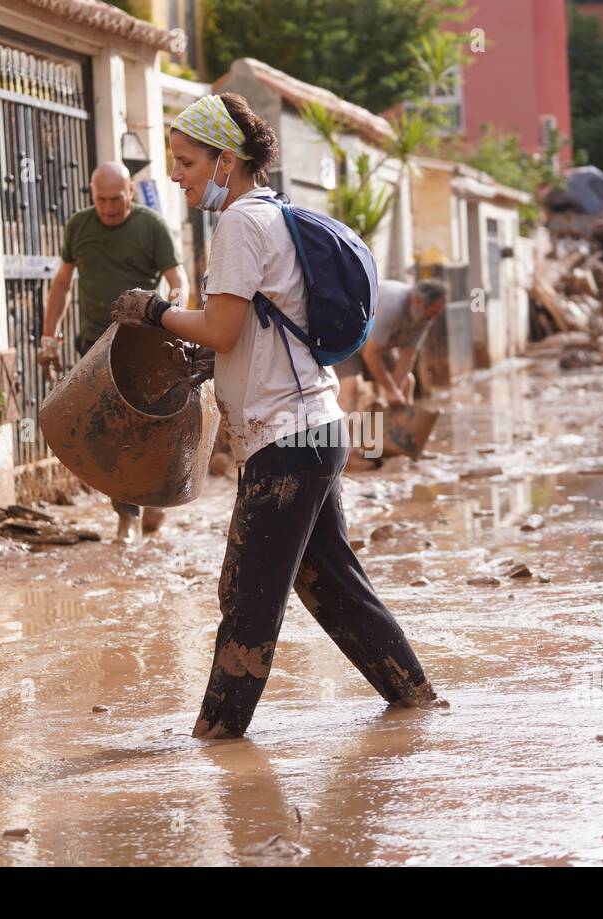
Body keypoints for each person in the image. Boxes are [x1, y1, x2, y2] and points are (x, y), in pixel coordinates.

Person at [109, 92, 446, 739]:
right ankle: (415, 701)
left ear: (225, 161)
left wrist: (152, 311)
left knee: (246, 599)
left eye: (185, 162)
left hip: (287, 440)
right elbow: (251, 333)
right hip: (311, 430)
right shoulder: (268, 215)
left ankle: (216, 739)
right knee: (334, 588)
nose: (175, 175)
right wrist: (208, 357)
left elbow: (226, 327)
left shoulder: (238, 224)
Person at [39, 161, 188, 538]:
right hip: (95, 345)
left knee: (151, 425)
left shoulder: (149, 226)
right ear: (92, 195)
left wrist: (174, 313)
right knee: (108, 431)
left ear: (131, 193)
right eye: (101, 199)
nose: (108, 207)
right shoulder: (79, 226)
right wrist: (48, 338)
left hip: (144, 343)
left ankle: (154, 496)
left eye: (116, 199)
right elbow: (61, 284)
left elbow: (177, 279)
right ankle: (127, 516)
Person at [334, 278, 448, 413]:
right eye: (433, 312)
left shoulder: (425, 316)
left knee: (407, 383)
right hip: (348, 340)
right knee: (352, 385)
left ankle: (396, 432)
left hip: (376, 345)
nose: (433, 318)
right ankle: (347, 433)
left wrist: (395, 391)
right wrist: (391, 390)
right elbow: (370, 354)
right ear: (417, 301)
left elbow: (408, 354)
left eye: (436, 313)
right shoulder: (392, 304)